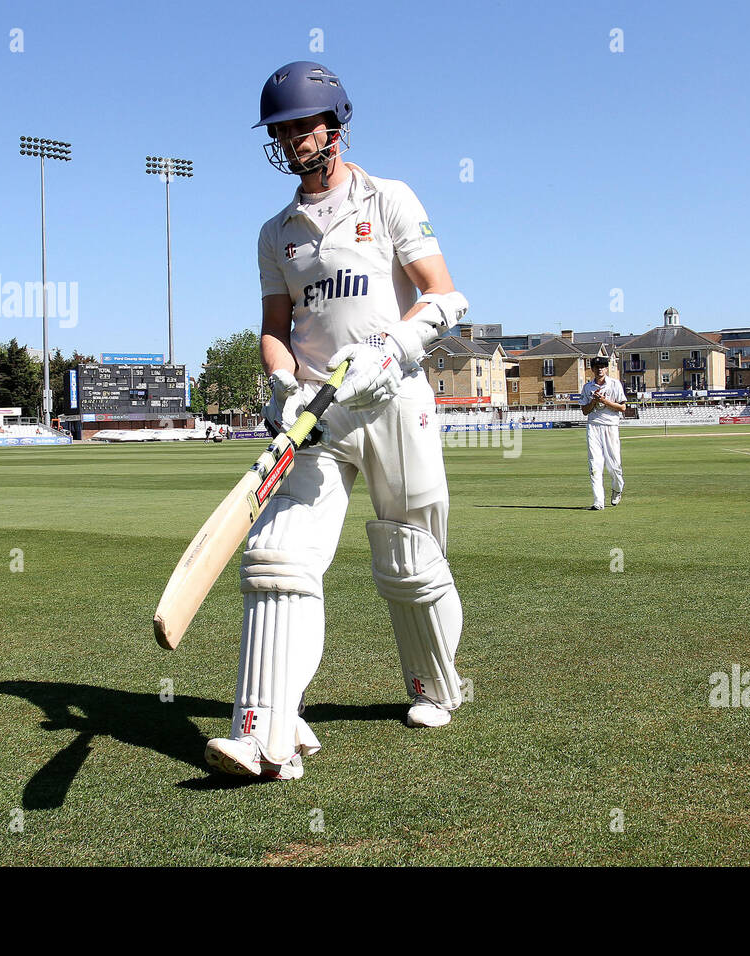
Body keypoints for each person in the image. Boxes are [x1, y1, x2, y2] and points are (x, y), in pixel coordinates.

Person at [202, 61, 470, 781]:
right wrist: (282, 383)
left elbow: (445, 298)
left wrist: (396, 347)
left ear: (335, 125)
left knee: (410, 560)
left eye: (301, 125)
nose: (292, 140)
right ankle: (266, 735)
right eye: (281, 130)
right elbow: (273, 328)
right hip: (316, 419)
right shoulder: (275, 233)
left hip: (394, 399)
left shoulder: (387, 199)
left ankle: (435, 685)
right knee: (277, 558)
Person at [579, 356, 627, 508]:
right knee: (595, 465)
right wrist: (594, 401)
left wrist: (605, 401)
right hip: (593, 426)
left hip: (610, 426)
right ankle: (598, 501)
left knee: (614, 465)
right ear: (592, 369)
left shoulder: (615, 384)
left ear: (606, 368)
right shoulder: (587, 387)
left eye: (603, 366)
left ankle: (617, 489)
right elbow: (585, 411)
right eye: (596, 366)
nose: (600, 369)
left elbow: (623, 408)